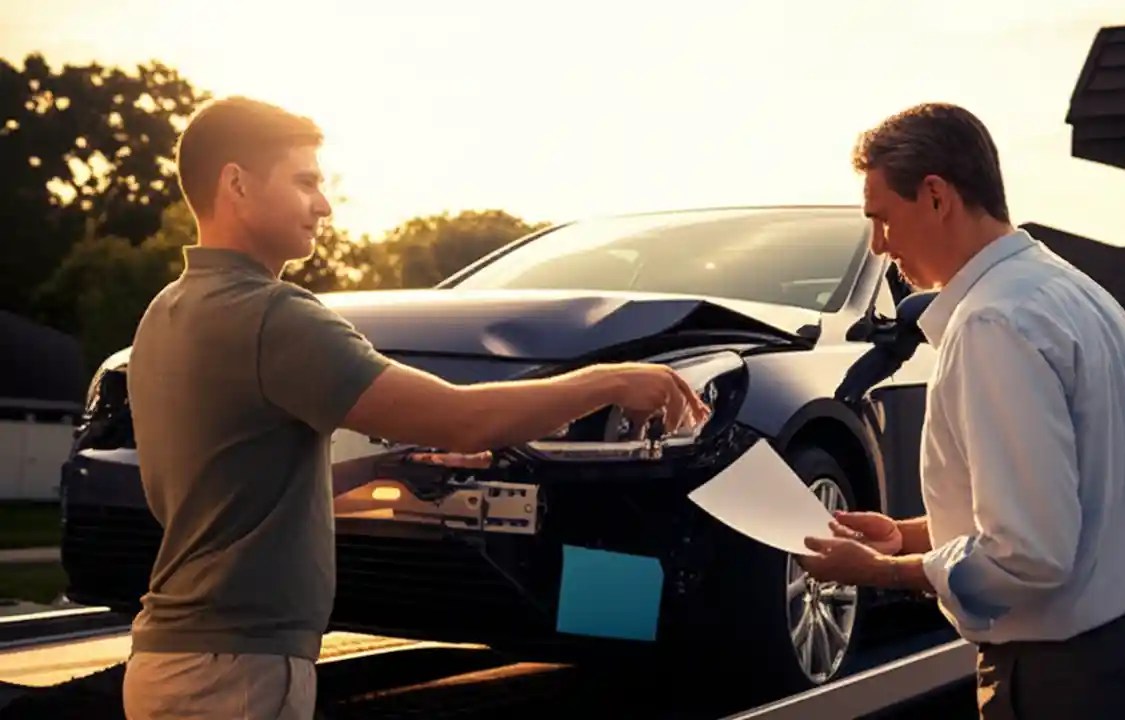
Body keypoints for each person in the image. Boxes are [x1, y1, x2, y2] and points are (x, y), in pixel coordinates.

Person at [120, 96, 709, 719]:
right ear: (236, 183)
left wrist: (379, 472)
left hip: (171, 659)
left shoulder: (166, 313)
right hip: (234, 674)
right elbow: (457, 417)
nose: (323, 204)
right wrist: (606, 381)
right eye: (305, 182)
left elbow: (229, 487)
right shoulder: (272, 315)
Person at [797, 102, 1125, 719]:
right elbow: (1069, 510)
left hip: (1060, 683)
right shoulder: (1079, 293)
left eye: (883, 219)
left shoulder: (992, 326)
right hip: (1123, 656)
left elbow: (1029, 554)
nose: (878, 245)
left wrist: (884, 572)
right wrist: (906, 537)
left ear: (937, 196)